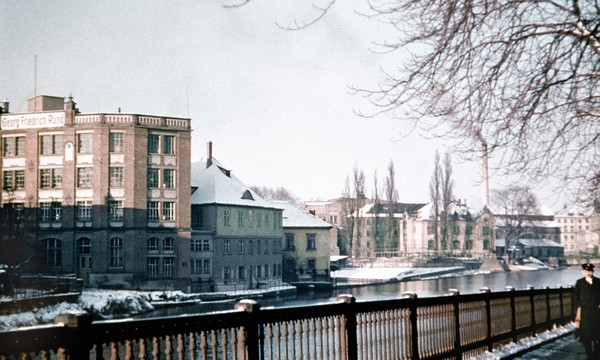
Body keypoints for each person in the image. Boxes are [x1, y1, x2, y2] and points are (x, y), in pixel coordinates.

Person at [574, 263, 600, 359]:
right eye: (586, 271)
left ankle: (596, 355)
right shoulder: (579, 283)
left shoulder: (598, 282)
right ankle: (590, 355)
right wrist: (579, 307)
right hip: (585, 313)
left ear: (593, 271)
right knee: (586, 336)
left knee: (598, 336)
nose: (588, 273)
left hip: (597, 313)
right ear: (583, 272)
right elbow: (575, 297)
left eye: (589, 271)